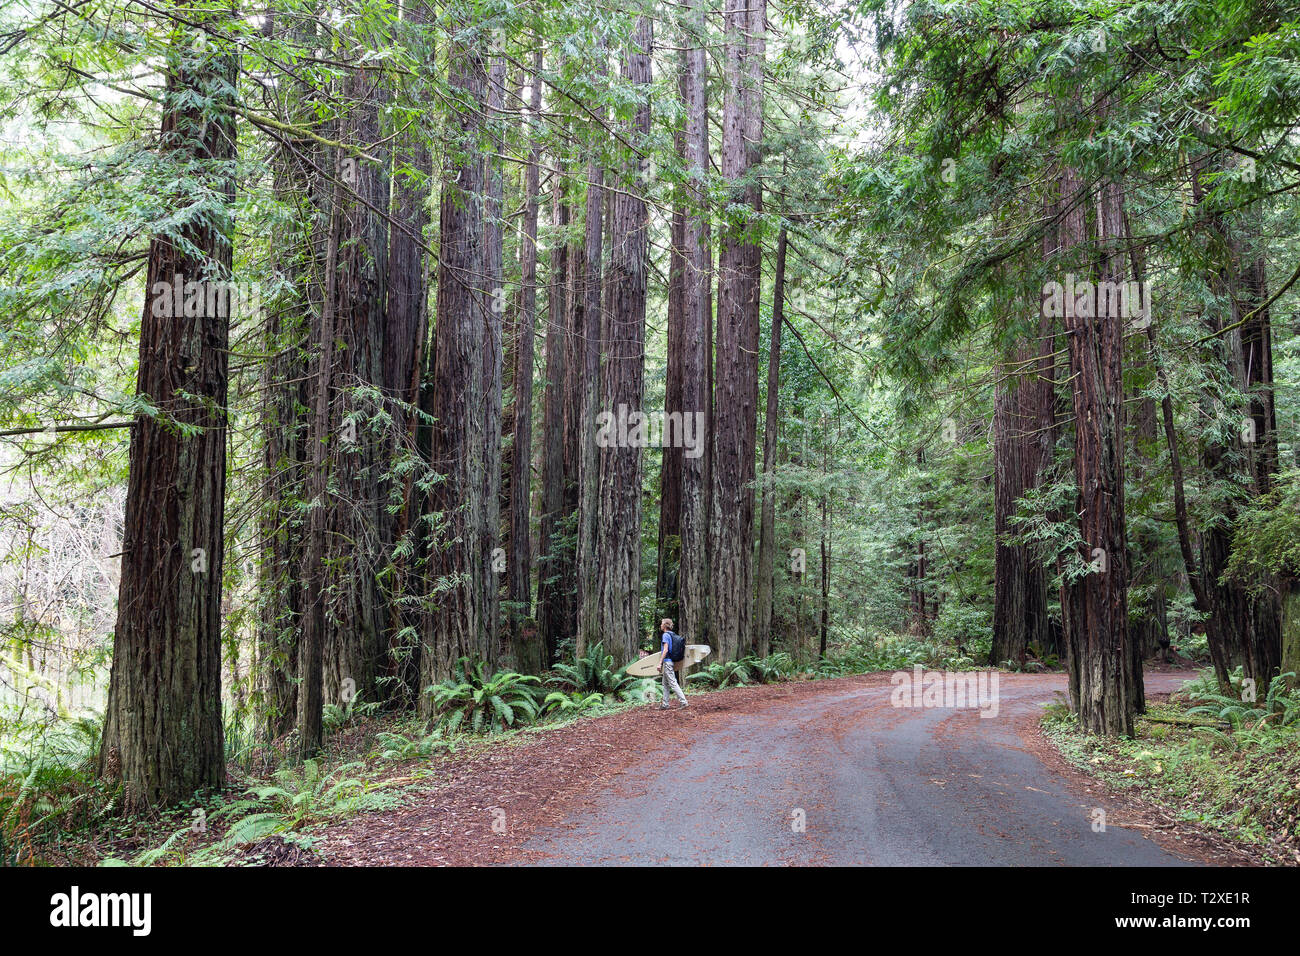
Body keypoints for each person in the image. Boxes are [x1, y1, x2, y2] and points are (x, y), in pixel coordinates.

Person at [658, 618, 688, 710]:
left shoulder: (665, 635)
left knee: (672, 682)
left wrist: (660, 663)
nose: (660, 625)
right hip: (671, 661)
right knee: (665, 684)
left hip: (667, 662)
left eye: (662, 623)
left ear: (665, 626)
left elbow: (665, 650)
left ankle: (684, 702)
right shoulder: (672, 634)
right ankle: (665, 704)